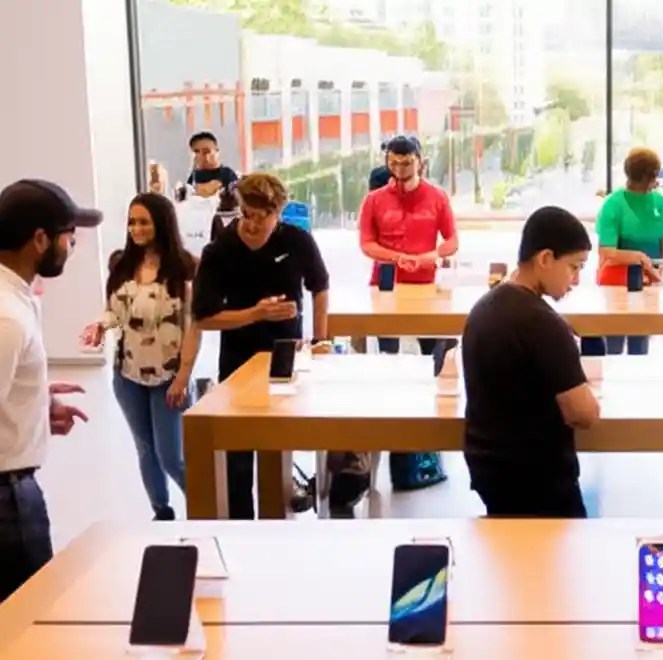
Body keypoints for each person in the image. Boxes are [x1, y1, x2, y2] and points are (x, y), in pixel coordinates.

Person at [192, 173, 330, 519]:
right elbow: (204, 318)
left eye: (261, 217)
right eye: (246, 214)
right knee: (238, 460)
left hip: (287, 358)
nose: (252, 224)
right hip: (238, 360)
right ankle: (242, 528)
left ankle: (278, 521)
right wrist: (255, 313)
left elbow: (320, 285)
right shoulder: (220, 250)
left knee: (278, 447)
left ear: (278, 213)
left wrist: (321, 338)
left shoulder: (297, 241)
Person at [462, 206, 599, 517]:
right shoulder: (544, 324)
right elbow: (584, 414)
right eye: (574, 267)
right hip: (540, 480)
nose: (575, 280)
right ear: (545, 259)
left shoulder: (483, 309)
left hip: (489, 471)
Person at [0, 179, 97, 601]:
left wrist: (35, 400)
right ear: (39, 240)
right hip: (7, 503)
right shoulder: (7, 316)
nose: (72, 247)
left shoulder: (16, 299)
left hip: (13, 492)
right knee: (26, 628)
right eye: (68, 237)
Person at [80, 195, 200, 520]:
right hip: (128, 376)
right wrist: (99, 326)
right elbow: (115, 311)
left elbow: (194, 328)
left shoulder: (185, 269)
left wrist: (183, 378)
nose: (136, 228)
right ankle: (161, 513)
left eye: (144, 221)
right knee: (145, 449)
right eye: (132, 222)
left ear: (161, 223)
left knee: (170, 455)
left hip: (169, 379)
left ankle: (210, 507)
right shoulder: (122, 265)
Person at [357, 134, 458, 490]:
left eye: (406, 162)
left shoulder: (437, 196)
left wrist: (429, 257)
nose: (400, 169)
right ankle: (391, 426)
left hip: (426, 284)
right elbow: (366, 243)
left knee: (438, 353)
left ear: (420, 161)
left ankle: (428, 430)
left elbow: (451, 242)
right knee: (387, 359)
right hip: (386, 285)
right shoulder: (374, 200)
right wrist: (395, 257)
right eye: (394, 162)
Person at [583, 147, 663, 356]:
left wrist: (661, 274)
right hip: (615, 285)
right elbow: (606, 251)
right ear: (650, 176)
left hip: (647, 284)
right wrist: (638, 258)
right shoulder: (613, 204)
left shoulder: (661, 203)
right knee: (613, 346)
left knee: (640, 347)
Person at [186, 131, 239, 199]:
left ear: (217, 151)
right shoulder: (194, 176)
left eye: (206, 151)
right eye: (196, 152)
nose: (201, 155)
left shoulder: (227, 173)